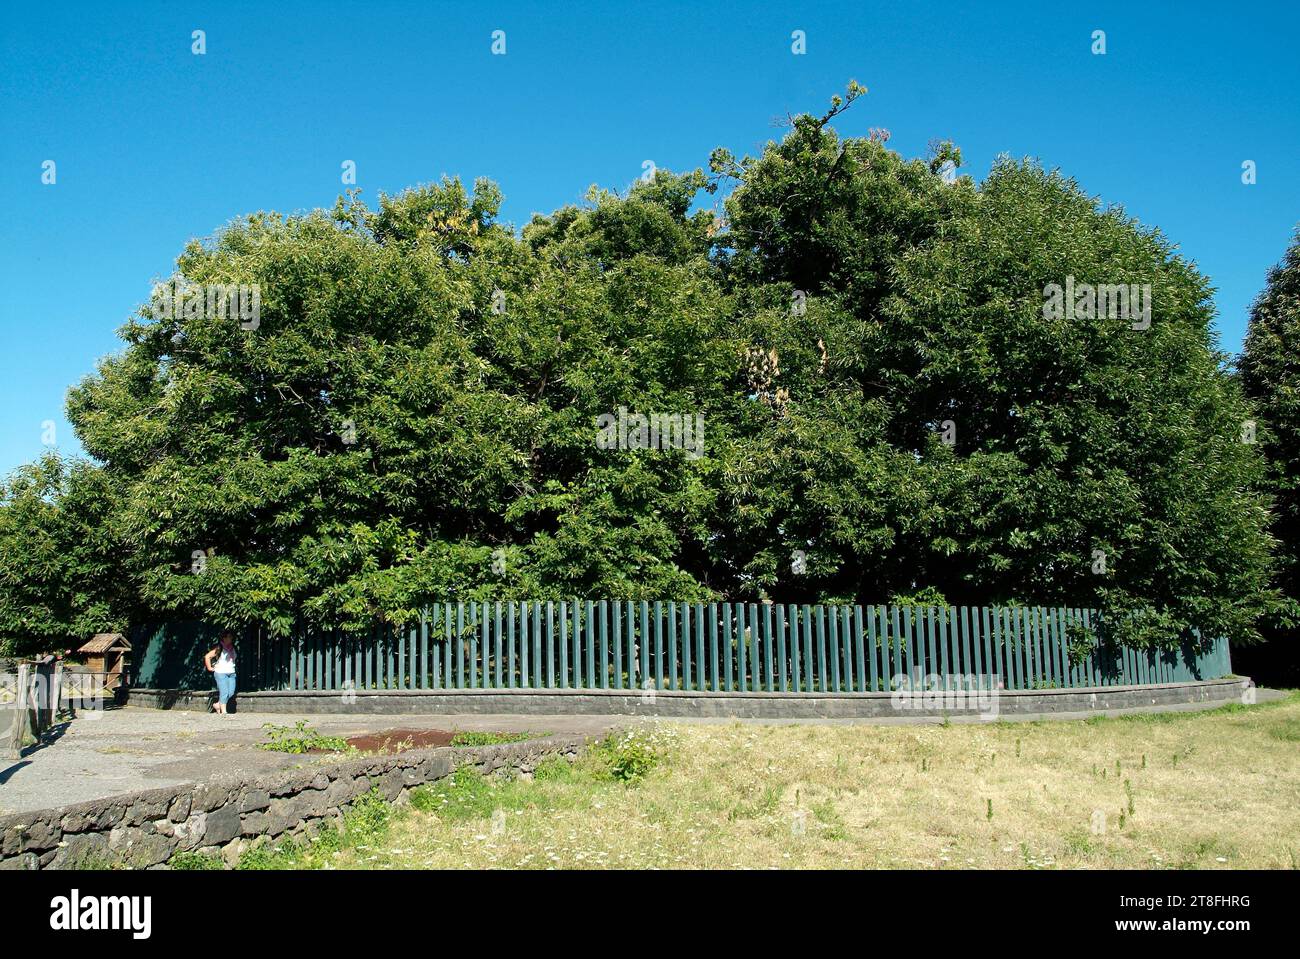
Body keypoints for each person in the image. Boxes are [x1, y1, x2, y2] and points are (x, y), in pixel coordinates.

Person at [203, 629, 238, 714]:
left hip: (231, 673)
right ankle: (224, 711)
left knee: (231, 693)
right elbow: (207, 656)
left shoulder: (233, 648)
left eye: (231, 636)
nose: (231, 638)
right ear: (224, 638)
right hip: (221, 673)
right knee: (224, 692)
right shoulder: (220, 648)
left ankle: (218, 704)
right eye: (229, 637)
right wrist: (210, 668)